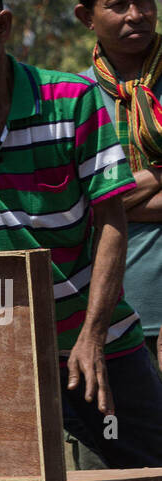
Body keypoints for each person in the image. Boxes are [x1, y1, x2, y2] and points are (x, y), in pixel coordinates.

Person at [0, 0, 162, 468]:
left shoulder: (72, 99)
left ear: (2, 27)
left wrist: (92, 335)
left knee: (148, 473)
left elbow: (112, 222)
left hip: (99, 339)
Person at [76, 0, 162, 368]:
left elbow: (98, 202)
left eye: (144, 0)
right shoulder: (73, 99)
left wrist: (110, 200)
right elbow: (77, 205)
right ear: (86, 18)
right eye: (116, 5)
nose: (135, 14)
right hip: (109, 314)